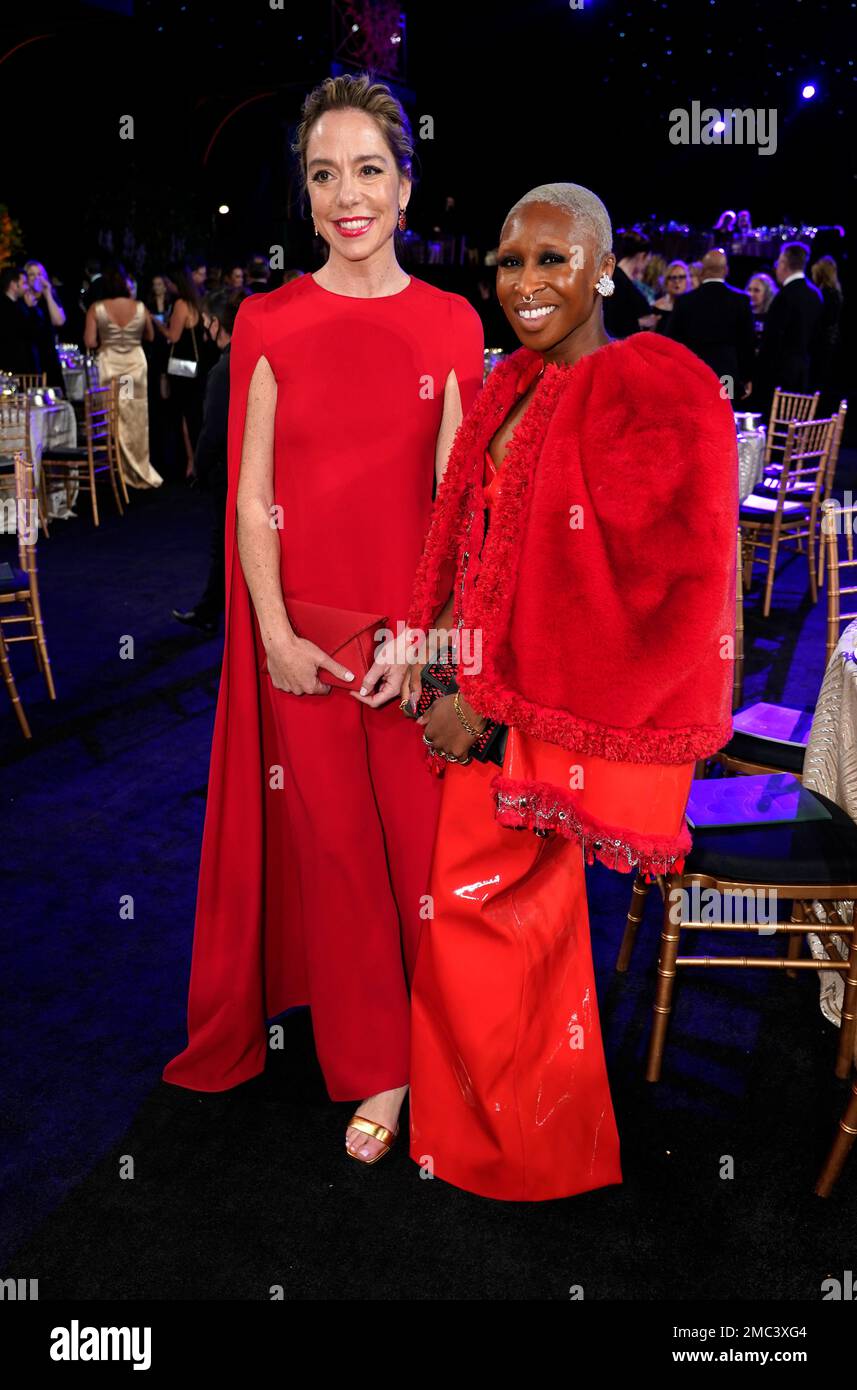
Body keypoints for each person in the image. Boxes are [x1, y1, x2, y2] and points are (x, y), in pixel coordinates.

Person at [162, 73, 484, 1166]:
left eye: (368, 170)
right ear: (305, 194)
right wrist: (271, 635)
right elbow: (249, 496)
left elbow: (456, 506)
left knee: (423, 863)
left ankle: (448, 1041)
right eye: (323, 174)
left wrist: (424, 639)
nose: (348, 195)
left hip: (403, 643)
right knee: (340, 861)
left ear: (405, 185)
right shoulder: (268, 320)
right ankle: (378, 1068)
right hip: (301, 642)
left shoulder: (449, 323)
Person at [402, 182, 737, 1201]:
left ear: (604, 270)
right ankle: (514, 1139)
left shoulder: (640, 386)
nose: (526, 281)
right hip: (476, 692)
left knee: (489, 915)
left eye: (553, 258)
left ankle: (518, 1149)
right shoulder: (509, 381)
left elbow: (649, 591)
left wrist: (488, 703)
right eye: (510, 261)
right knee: (501, 920)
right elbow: (477, 544)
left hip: (531, 714)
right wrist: (436, 656)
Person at [172, 288, 246, 634]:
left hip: (229, 470)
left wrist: (198, 468)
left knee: (225, 544)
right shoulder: (251, 359)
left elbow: (213, 430)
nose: (203, 328)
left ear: (216, 323)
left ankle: (212, 614)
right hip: (248, 467)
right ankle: (212, 611)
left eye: (205, 321)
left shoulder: (224, 369)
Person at [84, 263, 163, 489]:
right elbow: (150, 336)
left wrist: (107, 339)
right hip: (133, 367)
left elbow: (90, 341)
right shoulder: (139, 307)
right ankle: (135, 467)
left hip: (110, 367)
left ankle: (116, 468)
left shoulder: (97, 308)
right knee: (133, 416)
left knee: (112, 415)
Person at [665, 248, 755, 401]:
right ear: (726, 270)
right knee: (723, 413)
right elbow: (747, 343)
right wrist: (747, 376)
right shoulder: (741, 301)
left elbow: (672, 341)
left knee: (696, 413)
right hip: (727, 376)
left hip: (693, 375)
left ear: (702, 271)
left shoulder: (685, 301)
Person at [754, 241, 823, 412]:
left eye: (778, 262)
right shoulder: (815, 295)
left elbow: (771, 340)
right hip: (805, 374)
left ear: (784, 263)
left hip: (779, 377)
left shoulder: (783, 297)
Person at [156, 267, 208, 477]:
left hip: (182, 367)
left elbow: (173, 336)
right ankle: (197, 460)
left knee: (184, 415)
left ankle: (190, 461)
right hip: (197, 365)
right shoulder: (196, 302)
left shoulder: (180, 304)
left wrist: (156, 323)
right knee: (195, 413)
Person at [602, 229, 658, 337]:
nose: (646, 267)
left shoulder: (621, 278)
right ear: (642, 256)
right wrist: (640, 322)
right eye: (647, 261)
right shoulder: (617, 279)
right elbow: (610, 319)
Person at [22, 259, 66, 389]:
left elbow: (59, 321)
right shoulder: (22, 299)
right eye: (32, 274)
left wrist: (48, 294)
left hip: (48, 352)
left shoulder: (50, 296)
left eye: (39, 274)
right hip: (30, 353)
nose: (36, 278)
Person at [810, 254, 843, 410]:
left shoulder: (824, 295)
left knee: (819, 383)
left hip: (822, 345)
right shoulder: (835, 293)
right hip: (830, 344)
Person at [0, 266, 38, 375]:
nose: (27, 287)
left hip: (20, 366)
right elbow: (28, 333)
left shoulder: (19, 305)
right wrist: (31, 309)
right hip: (13, 367)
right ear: (13, 284)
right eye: (24, 283)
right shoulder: (6, 308)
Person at [653, 258, 690, 333]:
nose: (677, 281)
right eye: (673, 278)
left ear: (687, 280)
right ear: (666, 281)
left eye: (681, 277)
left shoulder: (691, 306)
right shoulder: (657, 307)